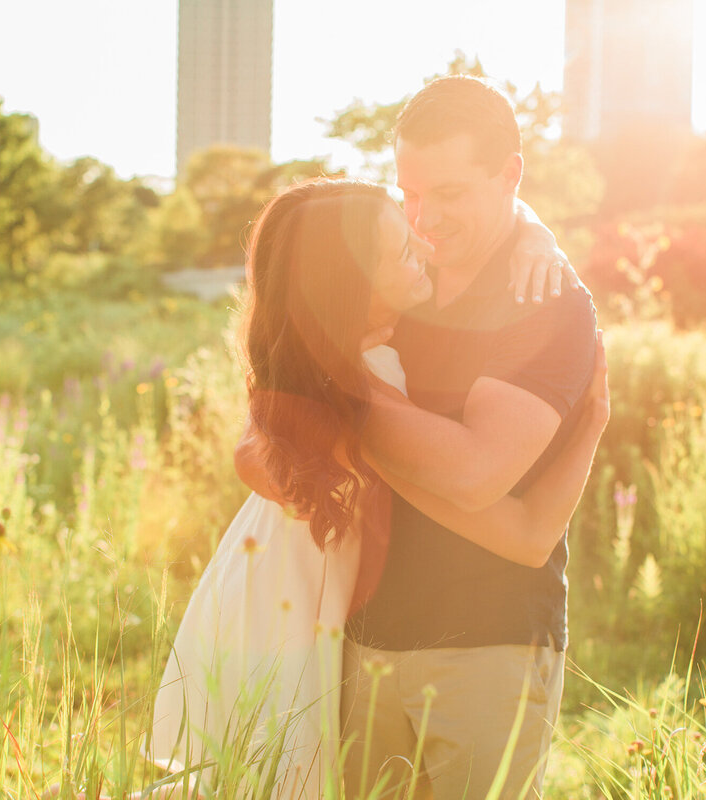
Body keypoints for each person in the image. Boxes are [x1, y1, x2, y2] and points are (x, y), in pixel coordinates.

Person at [150, 177, 606, 799]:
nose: (421, 241)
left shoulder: (341, 363)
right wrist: (594, 424)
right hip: (294, 609)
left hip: (292, 597)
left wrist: (533, 228)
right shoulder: (362, 397)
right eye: (399, 249)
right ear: (355, 285)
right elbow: (519, 532)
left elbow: (492, 197)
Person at [334, 75, 600, 799]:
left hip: (488, 643)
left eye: (450, 194)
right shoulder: (395, 278)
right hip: (363, 638)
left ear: (510, 174)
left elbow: (479, 473)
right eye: (409, 193)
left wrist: (342, 414)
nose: (425, 218)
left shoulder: (543, 304)